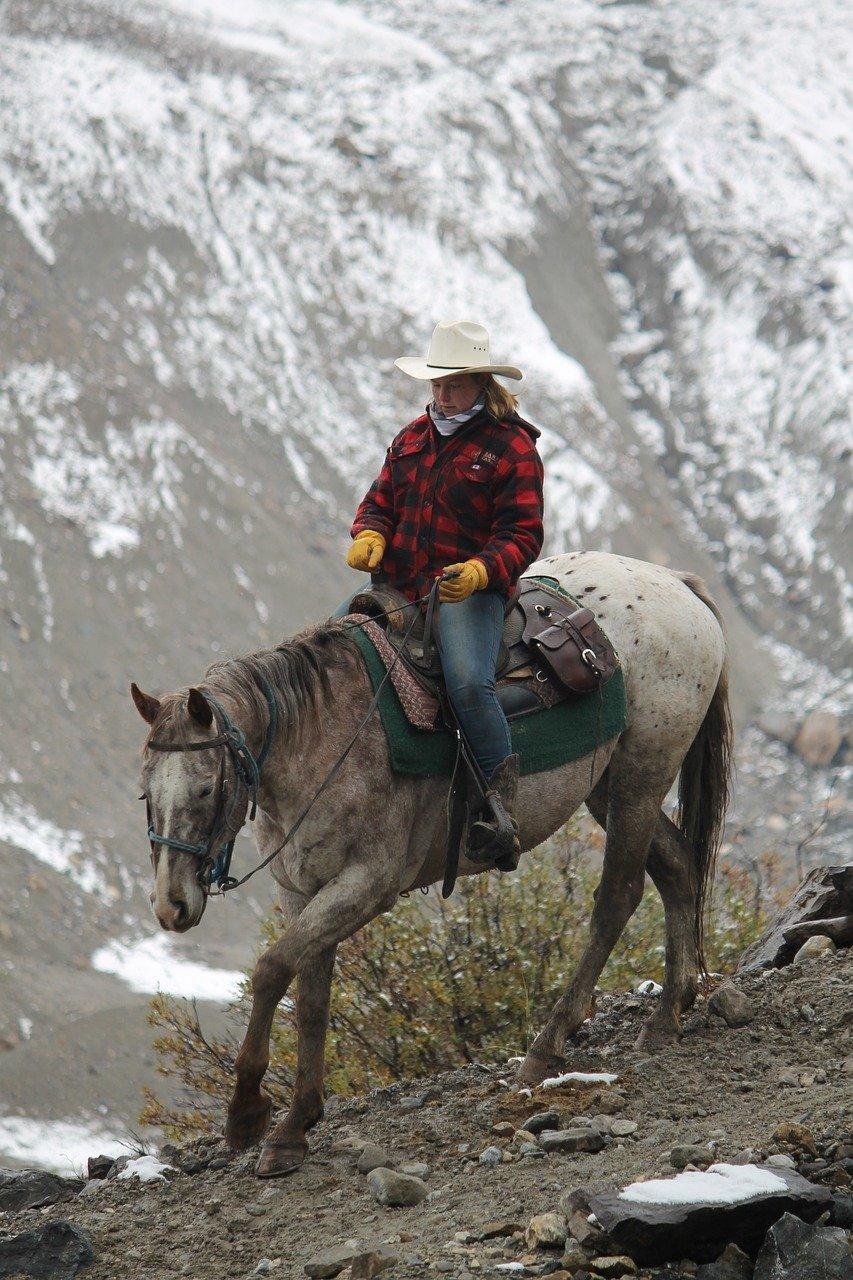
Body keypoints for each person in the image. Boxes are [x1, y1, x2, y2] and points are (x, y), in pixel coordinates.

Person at [338, 319, 545, 865]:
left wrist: (480, 572)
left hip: (468, 594)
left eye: (453, 384)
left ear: (481, 382)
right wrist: (370, 534)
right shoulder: (410, 437)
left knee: (468, 684)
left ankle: (499, 811)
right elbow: (377, 501)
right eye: (436, 383)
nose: (442, 394)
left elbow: (523, 535)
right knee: (327, 649)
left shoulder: (513, 448)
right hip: (398, 586)